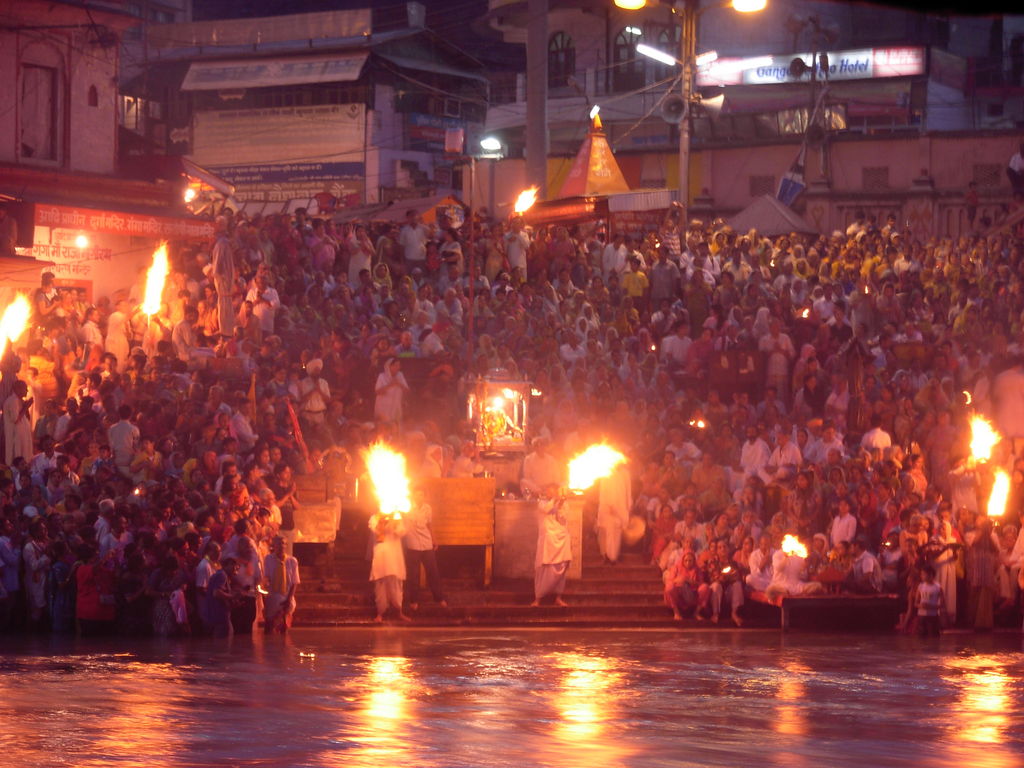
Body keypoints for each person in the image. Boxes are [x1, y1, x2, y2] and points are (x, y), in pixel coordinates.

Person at [402, 484, 446, 611]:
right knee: (413, 574)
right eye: (417, 494)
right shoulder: (407, 507)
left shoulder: (428, 508)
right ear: (413, 495)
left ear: (424, 496)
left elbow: (430, 525)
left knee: (433, 572)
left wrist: (434, 539)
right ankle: (414, 601)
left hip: (426, 544)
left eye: (421, 494)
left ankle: (439, 599)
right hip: (413, 545)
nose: (419, 497)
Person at [532, 483, 571, 607]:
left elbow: (563, 518)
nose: (550, 493)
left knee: (561, 567)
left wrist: (560, 504)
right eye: (549, 491)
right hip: (548, 539)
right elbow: (546, 509)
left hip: (561, 538)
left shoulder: (564, 504)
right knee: (544, 568)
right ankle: (538, 598)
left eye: (553, 491)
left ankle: (558, 597)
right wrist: (556, 499)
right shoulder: (542, 502)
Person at [369, 508, 408, 622]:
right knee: (380, 584)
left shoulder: (397, 518)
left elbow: (401, 532)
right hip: (381, 554)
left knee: (396, 583)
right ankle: (380, 613)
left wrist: (395, 523)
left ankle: (399, 611)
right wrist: (383, 521)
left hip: (395, 555)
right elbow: (376, 531)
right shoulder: (374, 518)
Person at [596, 461, 632, 565]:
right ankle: (606, 555)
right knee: (606, 532)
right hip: (607, 507)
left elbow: (628, 491)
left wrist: (628, 506)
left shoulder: (625, 473)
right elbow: (603, 491)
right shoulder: (605, 472)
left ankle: (613, 557)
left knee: (617, 533)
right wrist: (608, 504)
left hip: (620, 507)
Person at [263, 535, 300, 633]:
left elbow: (294, 582)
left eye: (283, 543)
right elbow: (266, 577)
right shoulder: (268, 559)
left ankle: (284, 646)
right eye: (278, 543)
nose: (281, 546)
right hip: (273, 596)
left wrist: (288, 599)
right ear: (273, 546)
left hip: (287, 596)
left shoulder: (292, 561)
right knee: (269, 627)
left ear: (286, 545)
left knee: (284, 627)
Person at [3, 379, 33, 465]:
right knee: (16, 459)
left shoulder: (19, 400)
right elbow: (15, 419)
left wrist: (25, 406)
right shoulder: (12, 400)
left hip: (21, 438)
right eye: (25, 388)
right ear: (18, 389)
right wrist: (26, 407)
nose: (27, 391)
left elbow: (25, 417)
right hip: (15, 437)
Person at [374, 357, 409, 427]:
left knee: (395, 426)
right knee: (382, 426)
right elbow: (377, 391)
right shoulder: (382, 376)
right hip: (383, 407)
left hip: (396, 406)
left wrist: (399, 384)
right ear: (389, 366)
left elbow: (407, 390)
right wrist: (390, 385)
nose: (397, 367)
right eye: (395, 365)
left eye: (399, 365)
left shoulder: (400, 375)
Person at [914, 564, 943, 637]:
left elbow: (942, 605)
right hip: (921, 615)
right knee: (921, 637)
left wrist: (931, 607)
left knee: (933, 637)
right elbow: (916, 603)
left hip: (933, 616)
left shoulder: (938, 587)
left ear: (930, 575)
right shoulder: (921, 586)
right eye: (921, 574)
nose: (921, 576)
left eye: (923, 574)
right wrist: (920, 605)